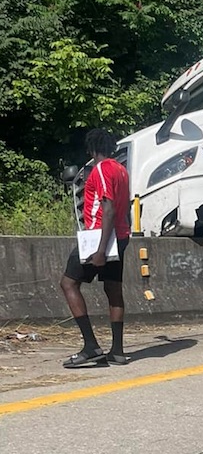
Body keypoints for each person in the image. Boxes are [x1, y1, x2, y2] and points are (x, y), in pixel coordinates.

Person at [59, 128, 131, 367]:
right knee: (113, 289)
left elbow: (107, 208)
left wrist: (100, 250)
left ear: (91, 149)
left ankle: (90, 346)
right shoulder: (121, 170)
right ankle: (117, 351)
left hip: (99, 236)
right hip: (120, 235)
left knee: (68, 283)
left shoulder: (100, 169)